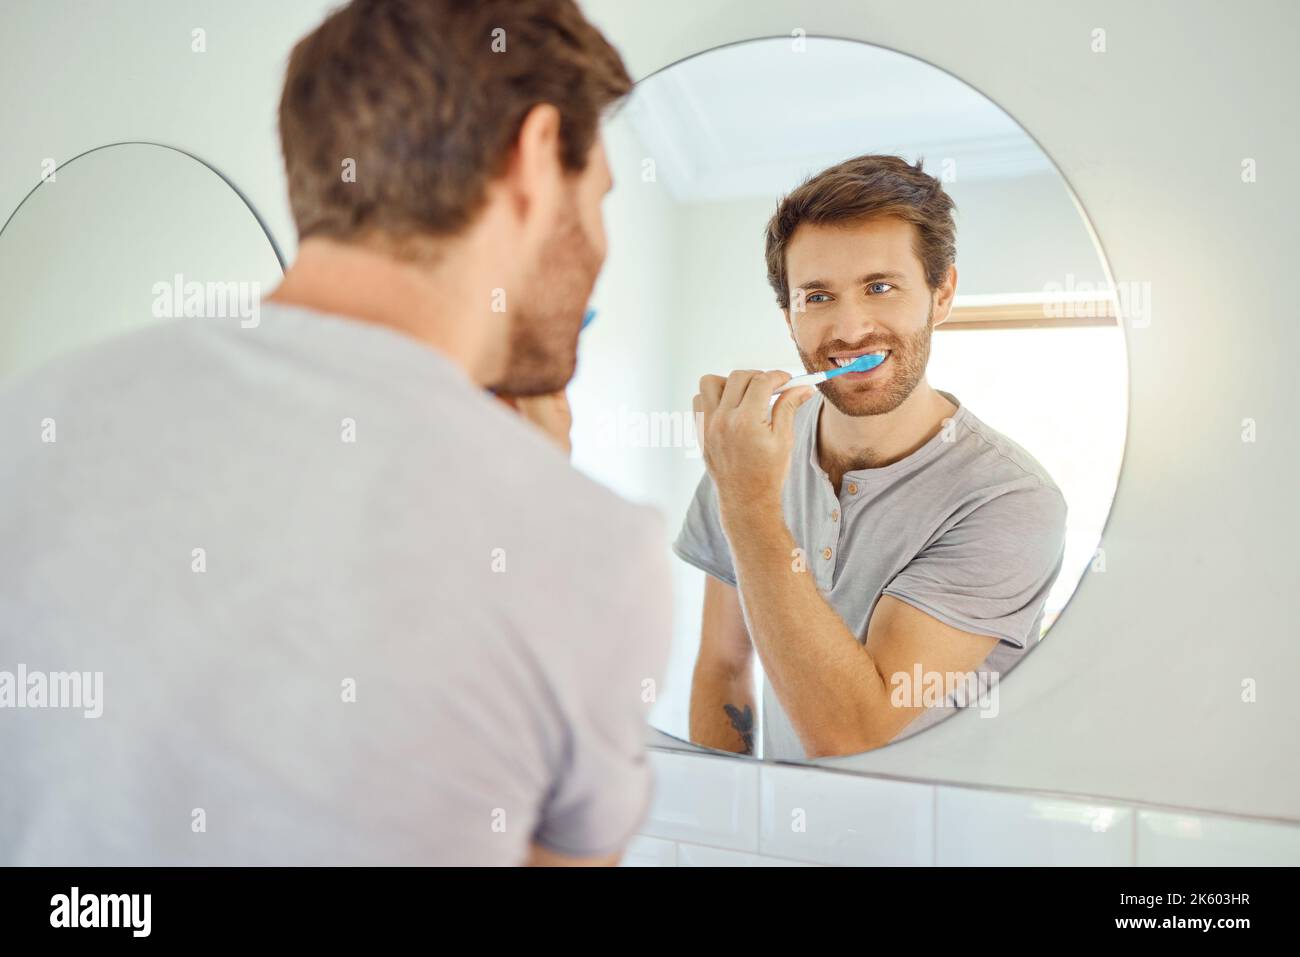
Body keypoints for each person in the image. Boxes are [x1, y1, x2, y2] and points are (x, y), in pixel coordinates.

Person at [0, 0, 668, 866]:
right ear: (537, 155)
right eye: (602, 195)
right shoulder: (595, 549)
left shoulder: (32, 418)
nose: (602, 242)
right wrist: (535, 498)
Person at [676, 155, 1068, 761]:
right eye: (818, 296)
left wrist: (750, 506)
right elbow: (724, 667)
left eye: (880, 287)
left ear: (942, 295)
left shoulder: (1010, 501)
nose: (850, 328)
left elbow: (851, 734)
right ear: (789, 317)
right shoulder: (746, 453)